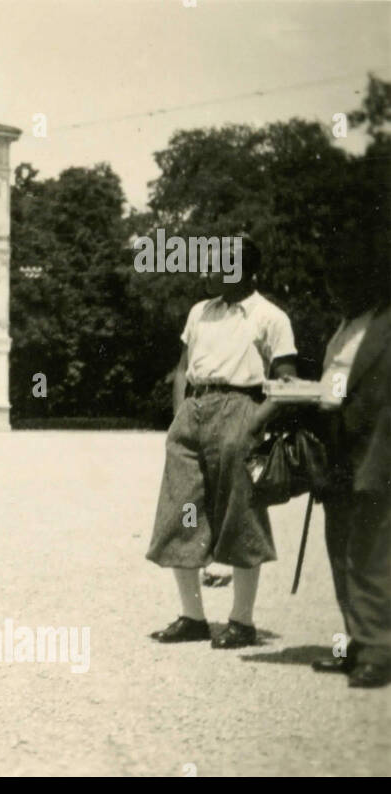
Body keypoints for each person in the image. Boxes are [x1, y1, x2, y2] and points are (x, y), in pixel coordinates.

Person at [146, 236, 299, 648]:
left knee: (240, 515)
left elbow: (286, 380)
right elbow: (182, 368)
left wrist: (254, 423)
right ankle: (192, 616)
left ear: (247, 271)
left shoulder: (271, 317)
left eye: (219, 265)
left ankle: (241, 621)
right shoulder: (200, 311)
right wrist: (181, 413)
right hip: (194, 410)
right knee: (184, 511)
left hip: (241, 408)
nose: (208, 271)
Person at [310, 222, 391, 688]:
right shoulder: (344, 327)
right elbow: (339, 383)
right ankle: (356, 641)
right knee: (340, 551)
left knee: (371, 553)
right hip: (337, 450)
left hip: (375, 451)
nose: (332, 288)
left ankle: (379, 650)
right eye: (329, 280)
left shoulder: (383, 326)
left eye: (342, 279)